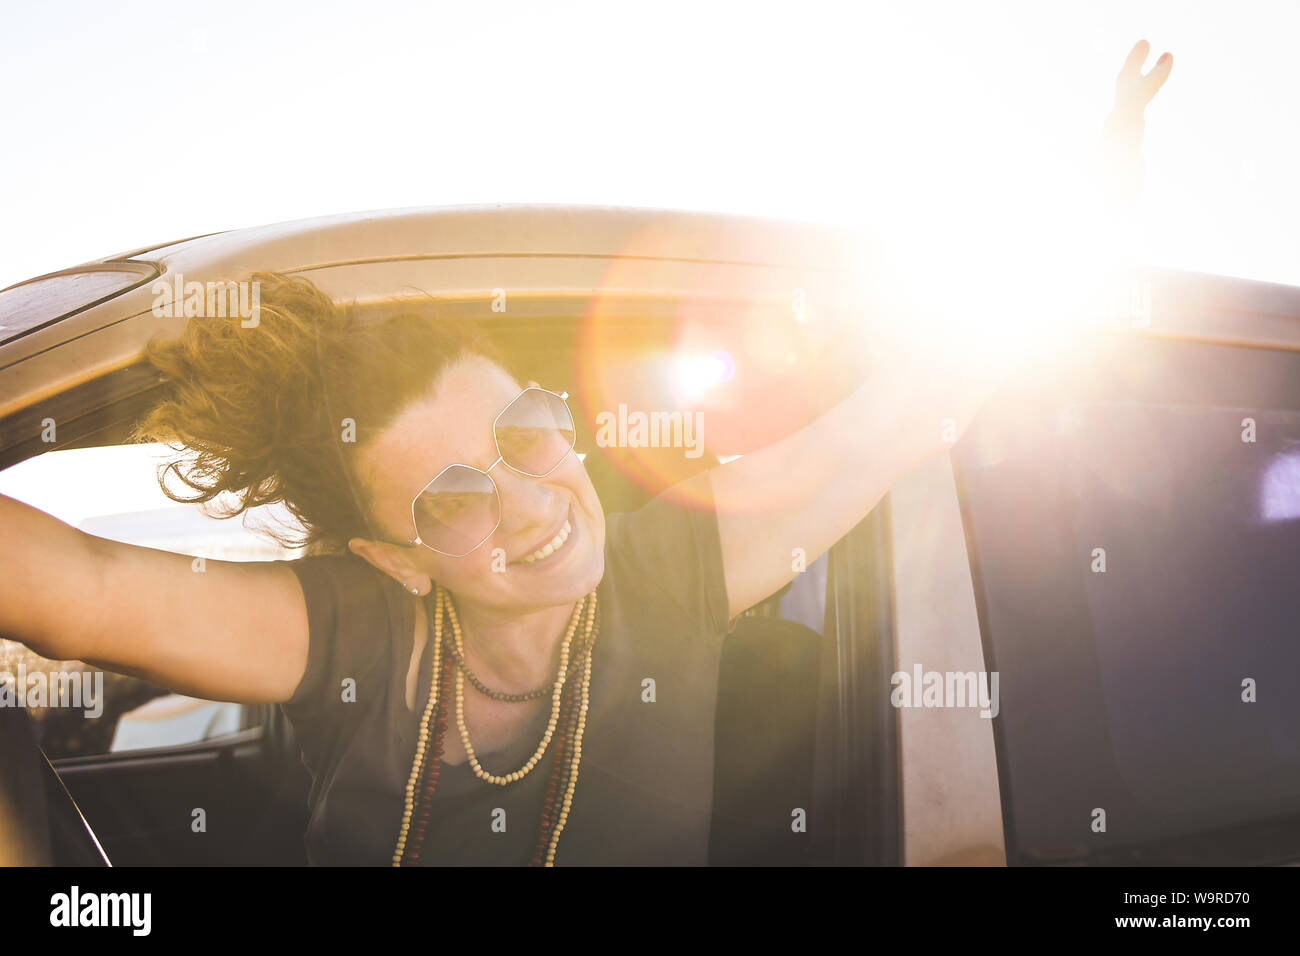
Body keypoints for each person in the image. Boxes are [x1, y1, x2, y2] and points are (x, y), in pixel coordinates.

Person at [0, 41, 1170, 866]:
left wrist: (1090, 208)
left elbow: (923, 390)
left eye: (527, 433)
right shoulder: (353, 623)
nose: (528, 503)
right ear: (395, 556)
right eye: (455, 493)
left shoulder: (676, 569)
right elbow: (71, 588)